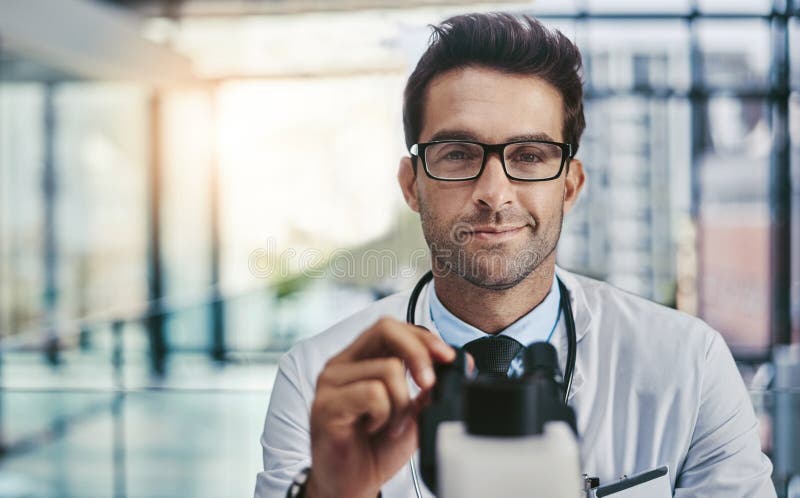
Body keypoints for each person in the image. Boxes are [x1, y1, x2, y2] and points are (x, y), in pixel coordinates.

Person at [254, 12, 776, 498]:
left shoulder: (689, 363)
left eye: (529, 156)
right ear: (411, 185)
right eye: (457, 154)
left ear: (570, 185)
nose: (494, 193)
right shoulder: (320, 378)